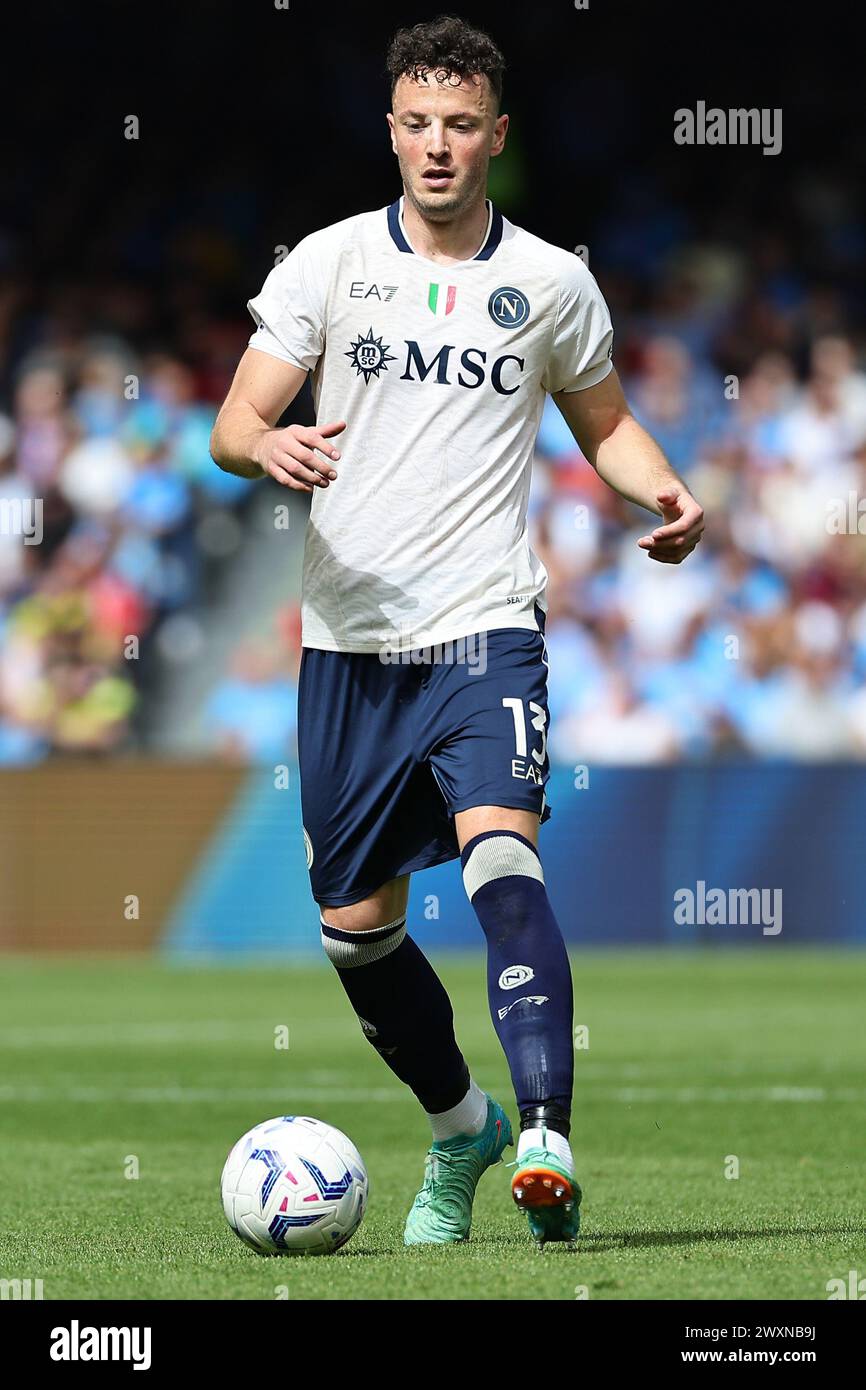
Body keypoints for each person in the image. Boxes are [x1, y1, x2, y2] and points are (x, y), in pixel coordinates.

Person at [210, 14, 704, 1249]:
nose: (436, 146)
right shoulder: (327, 265)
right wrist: (265, 442)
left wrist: (665, 488)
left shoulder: (548, 281)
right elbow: (233, 422)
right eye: (416, 123)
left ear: (496, 136)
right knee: (355, 931)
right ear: (391, 130)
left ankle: (543, 1132)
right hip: (348, 646)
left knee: (501, 859)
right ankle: (460, 1126)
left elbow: (603, 423)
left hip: (484, 629)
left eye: (460, 125)